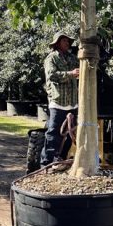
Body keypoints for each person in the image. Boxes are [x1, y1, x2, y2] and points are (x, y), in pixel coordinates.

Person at [40, 31, 80, 167]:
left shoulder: (71, 58)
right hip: (58, 103)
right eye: (64, 41)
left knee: (70, 134)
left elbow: (81, 67)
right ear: (57, 43)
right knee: (53, 134)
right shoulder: (51, 58)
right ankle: (46, 164)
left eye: (68, 41)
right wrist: (70, 74)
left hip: (72, 103)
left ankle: (60, 159)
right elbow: (52, 75)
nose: (67, 43)